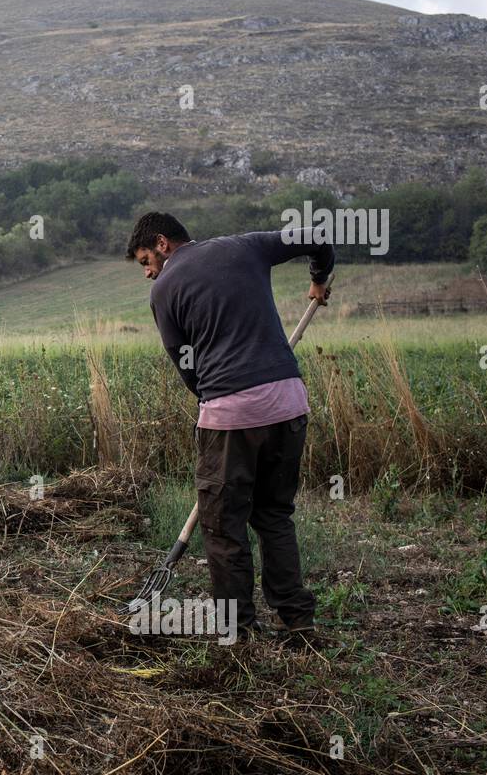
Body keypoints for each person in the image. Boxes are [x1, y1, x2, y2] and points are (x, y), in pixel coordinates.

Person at [127, 212, 334, 641]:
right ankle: (298, 621)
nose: (148, 273)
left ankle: (238, 630)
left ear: (162, 243)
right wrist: (318, 279)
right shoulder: (245, 245)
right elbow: (317, 237)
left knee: (223, 526)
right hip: (288, 401)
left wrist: (213, 398)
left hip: (229, 414)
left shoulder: (165, 289)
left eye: (146, 260)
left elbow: (184, 363)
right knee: (274, 514)